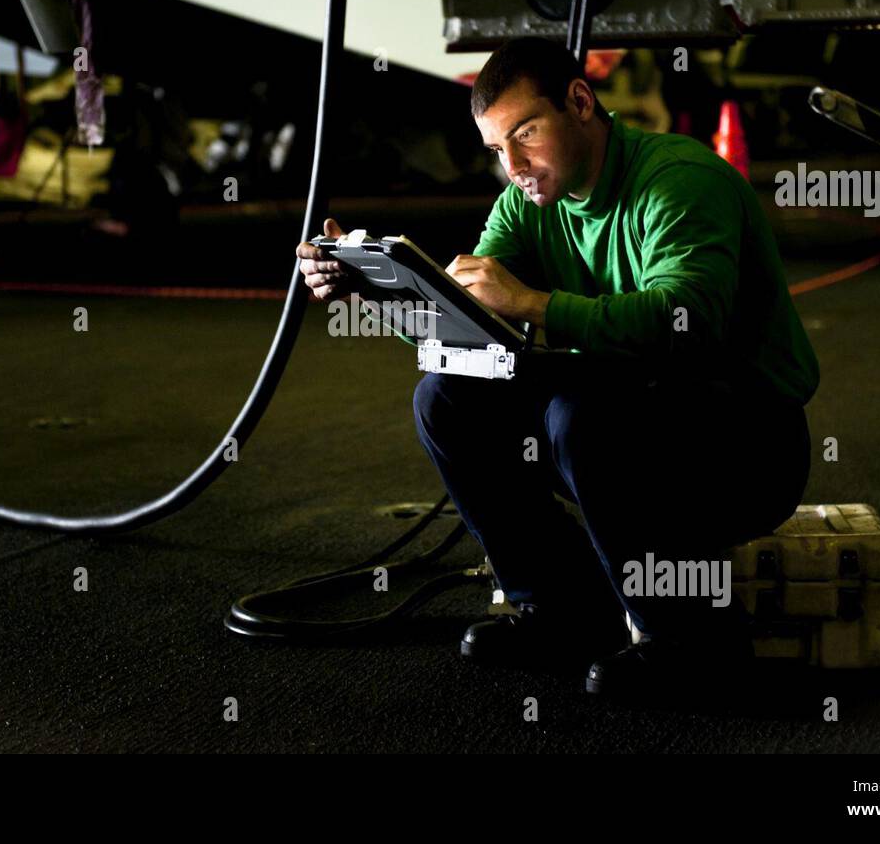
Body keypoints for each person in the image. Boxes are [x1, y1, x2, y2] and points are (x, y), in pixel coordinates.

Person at [295, 37, 819, 696]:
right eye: (495, 150)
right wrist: (377, 293)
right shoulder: (526, 199)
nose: (512, 164)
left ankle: (695, 641)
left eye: (526, 134)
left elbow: (687, 321)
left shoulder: (679, 180)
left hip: (746, 448)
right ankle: (566, 612)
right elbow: (475, 333)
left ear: (579, 101)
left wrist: (532, 302)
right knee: (445, 401)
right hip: (628, 425)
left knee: (583, 413)